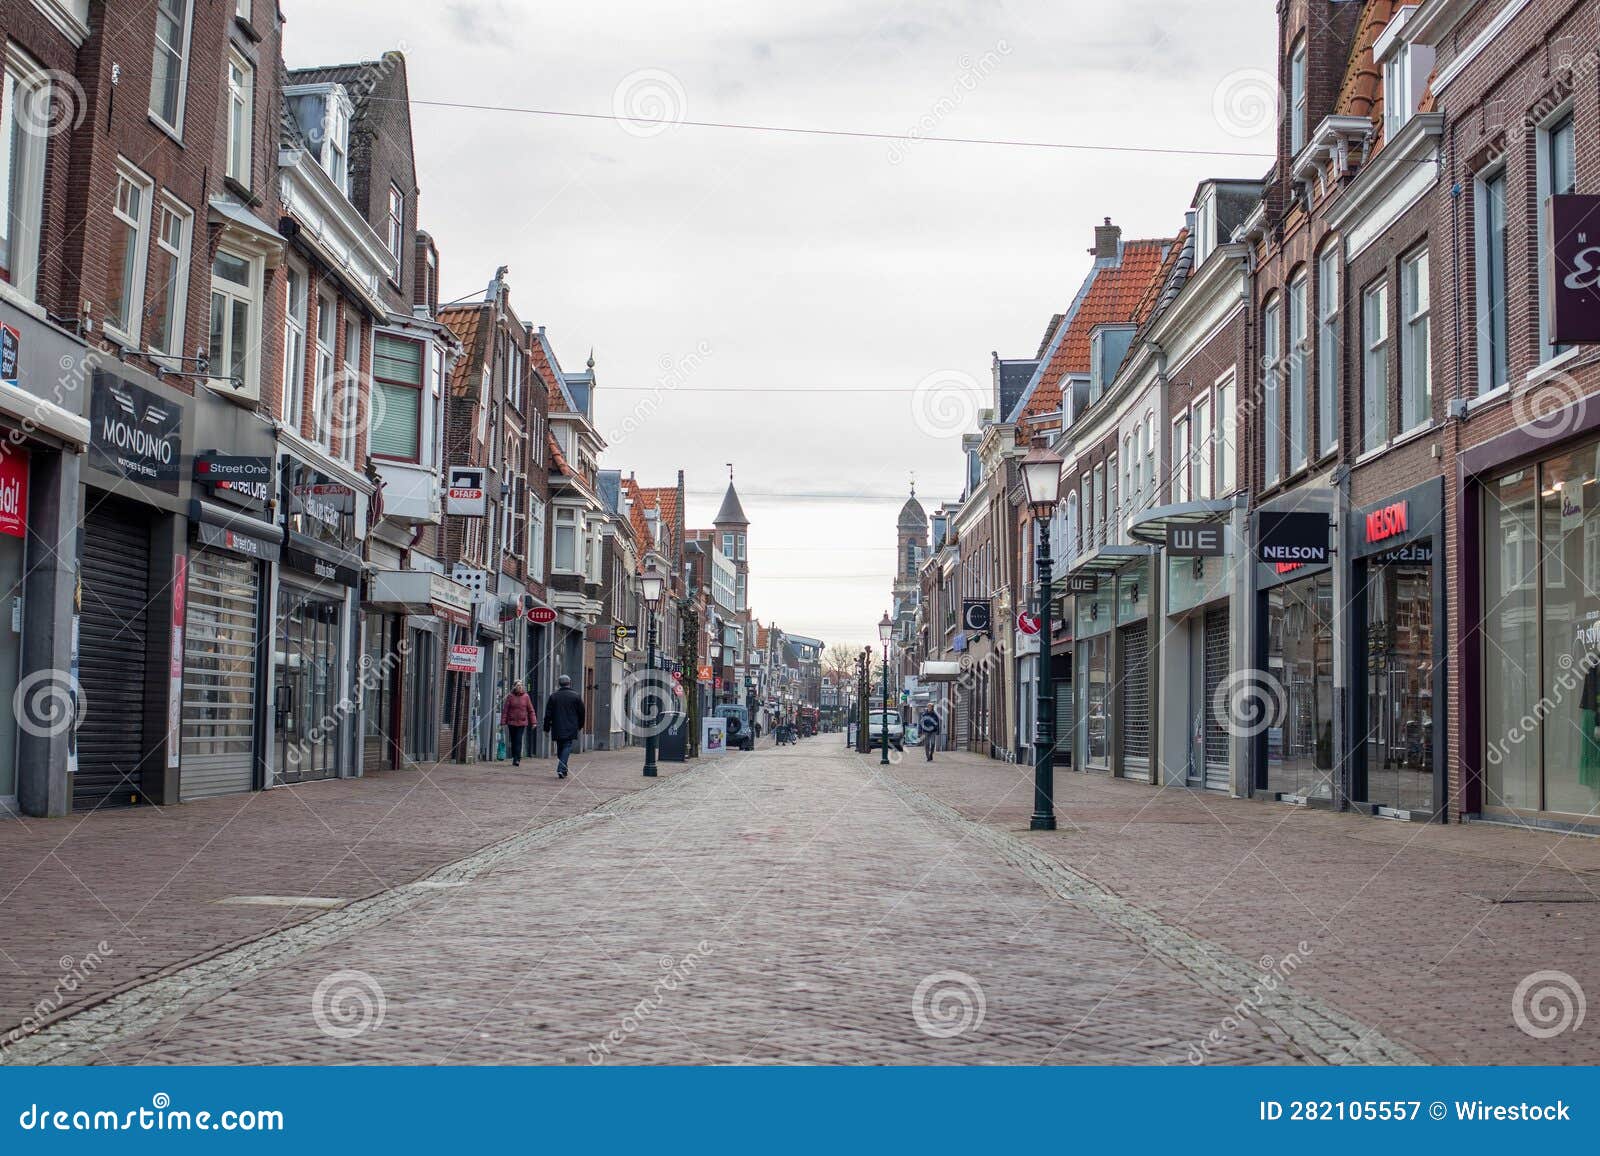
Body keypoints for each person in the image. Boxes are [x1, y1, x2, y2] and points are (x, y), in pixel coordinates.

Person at [543, 673, 586, 779]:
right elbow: (582, 713)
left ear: (559, 684)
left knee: (561, 747)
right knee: (566, 747)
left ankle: (563, 769)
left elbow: (548, 714)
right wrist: (580, 725)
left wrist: (546, 727)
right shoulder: (576, 696)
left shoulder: (553, 696)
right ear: (569, 683)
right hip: (571, 726)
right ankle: (562, 769)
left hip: (557, 726)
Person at [500, 680, 536, 766]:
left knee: (518, 740)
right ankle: (514, 755)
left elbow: (531, 710)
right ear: (514, 687)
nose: (520, 687)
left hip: (522, 722)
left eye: (521, 685)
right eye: (518, 685)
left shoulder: (526, 697)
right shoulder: (510, 696)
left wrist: (534, 722)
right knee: (513, 740)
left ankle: (517, 759)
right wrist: (503, 722)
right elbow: (505, 710)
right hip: (511, 722)